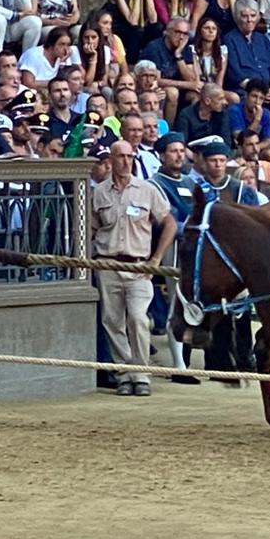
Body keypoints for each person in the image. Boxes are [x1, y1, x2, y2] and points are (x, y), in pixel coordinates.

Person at [93, 138, 175, 397]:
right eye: (121, 157)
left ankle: (141, 373)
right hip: (107, 263)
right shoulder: (100, 192)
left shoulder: (147, 189)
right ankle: (124, 373)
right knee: (113, 321)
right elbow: (89, 228)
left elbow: (169, 223)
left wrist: (156, 259)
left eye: (130, 156)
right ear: (111, 160)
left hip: (138, 265)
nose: (126, 161)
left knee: (138, 319)